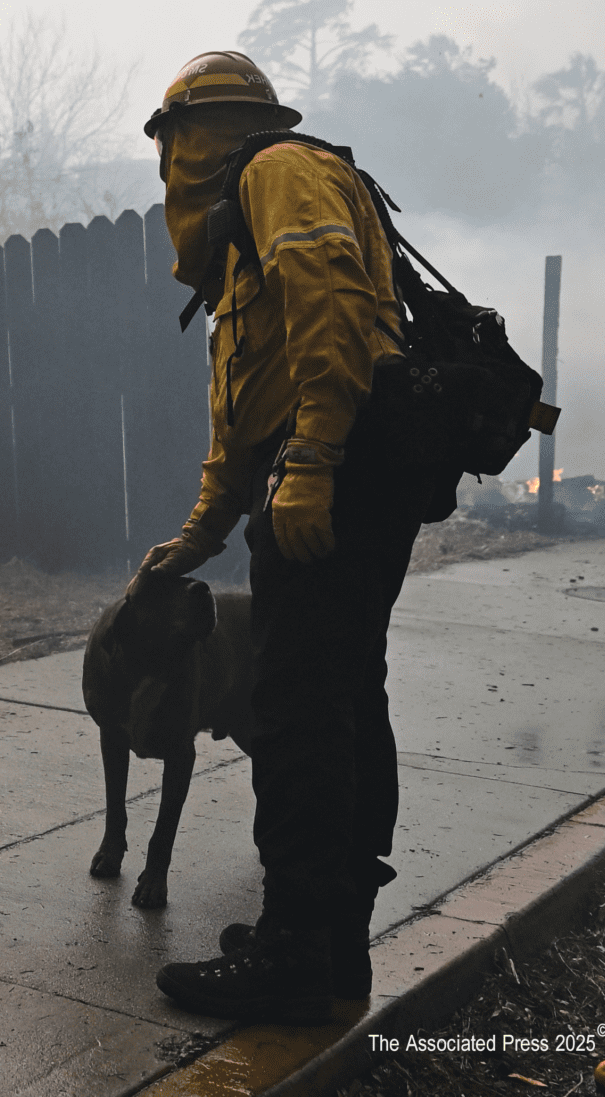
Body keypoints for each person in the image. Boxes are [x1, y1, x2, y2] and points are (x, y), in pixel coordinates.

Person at [136, 51, 441, 1023]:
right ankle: (328, 931)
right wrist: (193, 539)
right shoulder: (239, 241)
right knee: (341, 692)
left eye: (174, 144)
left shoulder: (279, 173)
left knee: (301, 707)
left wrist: (311, 458)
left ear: (200, 136)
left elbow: (339, 314)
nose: (170, 168)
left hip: (340, 475)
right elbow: (241, 414)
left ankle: (297, 953)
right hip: (325, 472)